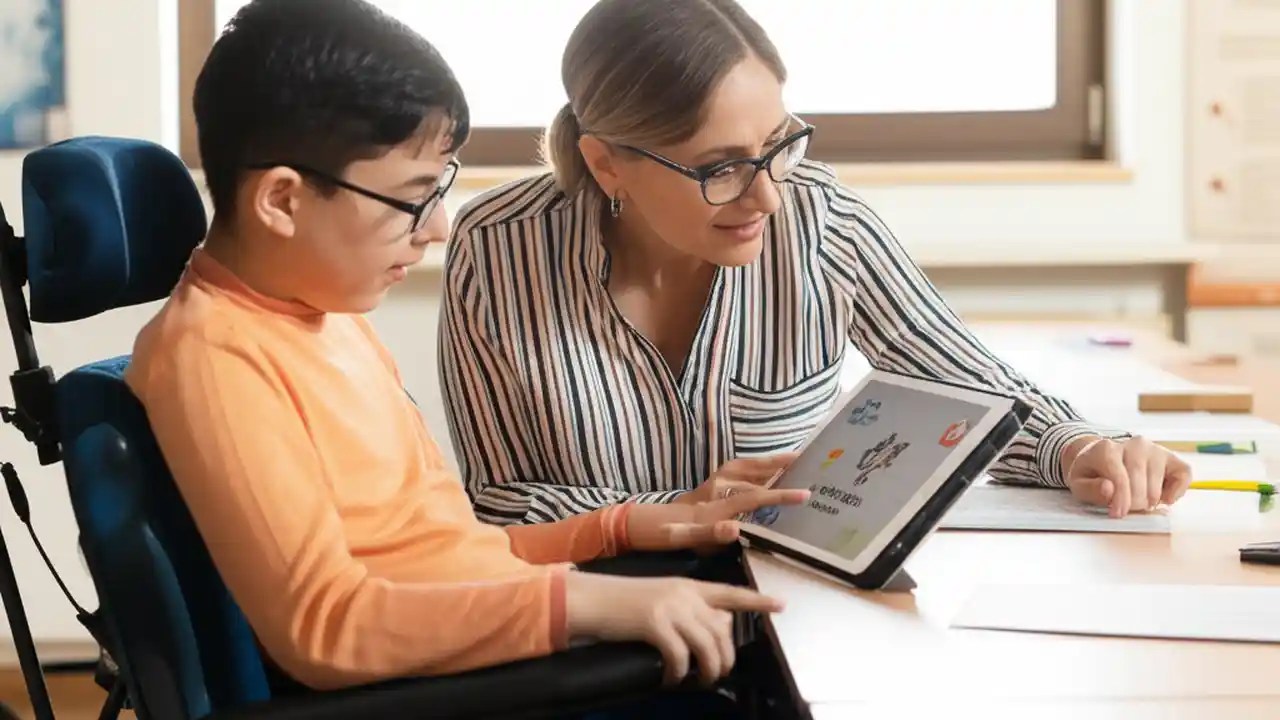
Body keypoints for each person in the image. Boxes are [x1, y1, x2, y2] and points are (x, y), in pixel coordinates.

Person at [125, 0, 807, 695]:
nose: (442, 228)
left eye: (442, 187)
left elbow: (451, 552)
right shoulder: (213, 357)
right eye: (415, 196)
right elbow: (326, 627)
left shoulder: (320, 314)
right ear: (281, 201)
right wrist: (598, 603)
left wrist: (631, 525)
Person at [439, 0, 1194, 527]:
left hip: (798, 614)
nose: (767, 195)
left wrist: (1082, 449)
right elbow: (501, 501)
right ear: (607, 165)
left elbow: (969, 384)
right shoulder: (498, 249)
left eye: (780, 143)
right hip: (604, 624)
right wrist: (671, 513)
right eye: (720, 168)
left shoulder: (820, 218)